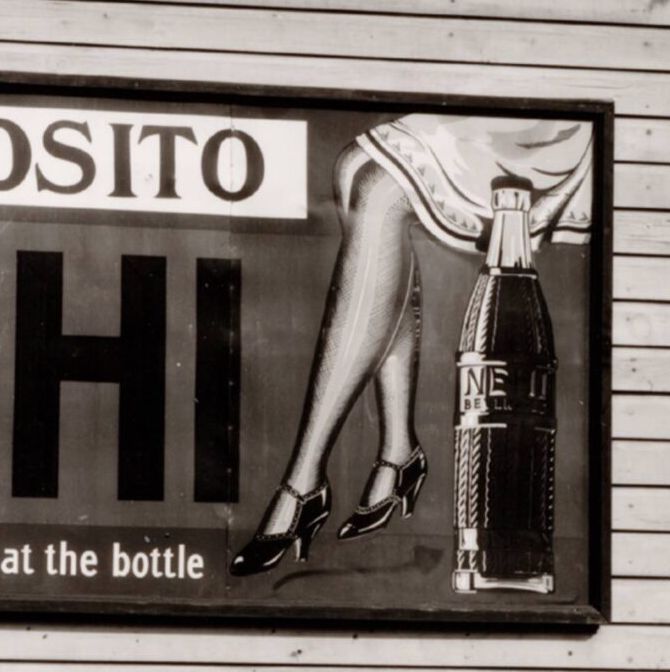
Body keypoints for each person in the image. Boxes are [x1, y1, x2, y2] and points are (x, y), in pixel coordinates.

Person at [230, 111, 594, 576]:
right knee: (357, 173)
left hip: (547, 125)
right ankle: (397, 452)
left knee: (378, 187)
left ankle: (304, 486)